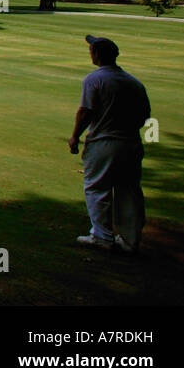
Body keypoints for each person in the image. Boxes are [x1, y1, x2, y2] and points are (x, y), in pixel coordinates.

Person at [69, 35, 151, 253]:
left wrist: (75, 136)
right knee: (130, 190)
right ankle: (131, 240)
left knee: (97, 187)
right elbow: (144, 115)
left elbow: (86, 111)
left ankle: (102, 236)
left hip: (103, 142)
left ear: (96, 55)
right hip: (130, 143)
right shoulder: (134, 82)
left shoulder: (94, 79)